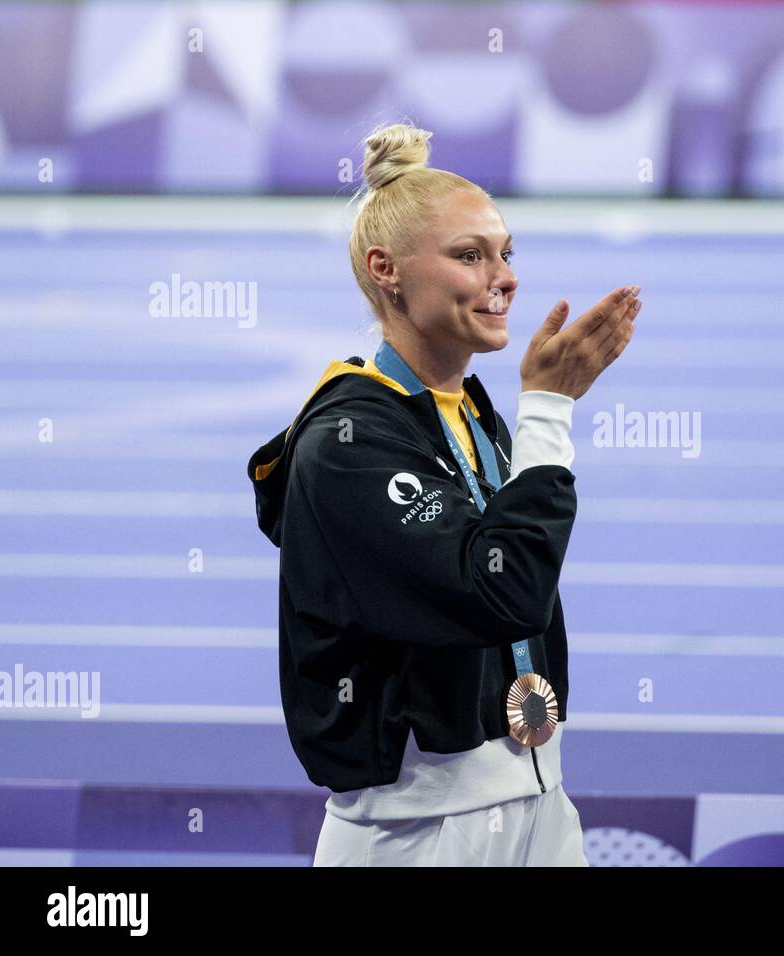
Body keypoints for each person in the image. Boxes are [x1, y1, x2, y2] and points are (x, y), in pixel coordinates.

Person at [246, 122, 641, 865]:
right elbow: (502, 592)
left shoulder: (468, 408)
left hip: (537, 795)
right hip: (418, 829)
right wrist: (550, 413)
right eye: (470, 255)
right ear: (385, 269)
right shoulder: (348, 442)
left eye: (506, 252)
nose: (506, 275)